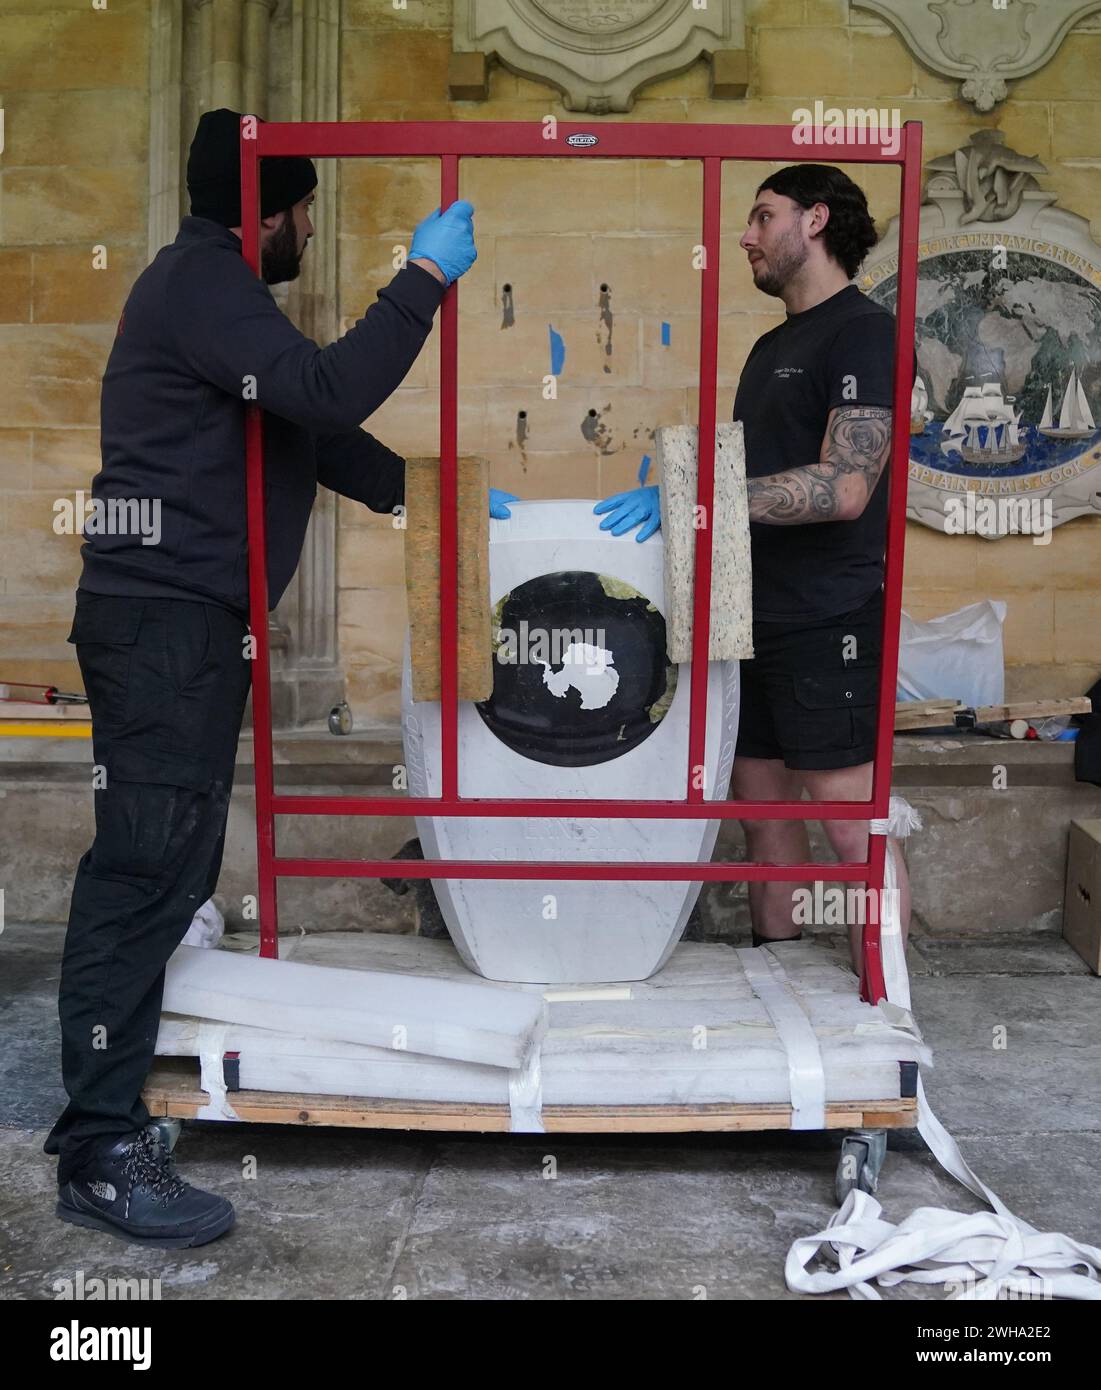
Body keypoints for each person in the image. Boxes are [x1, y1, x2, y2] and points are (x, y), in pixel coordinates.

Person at [45, 107, 493, 1249]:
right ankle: (98, 1153)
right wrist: (421, 283)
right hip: (164, 624)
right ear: (267, 213)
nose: (308, 230)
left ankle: (112, 1126)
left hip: (182, 626)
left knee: (169, 865)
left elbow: (306, 430)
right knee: (142, 871)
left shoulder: (215, 297)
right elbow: (327, 390)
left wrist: (442, 501)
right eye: (301, 210)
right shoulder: (201, 283)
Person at [594, 164, 912, 976]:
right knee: (760, 809)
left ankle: (886, 1004)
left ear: (814, 219)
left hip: (828, 617)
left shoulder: (864, 333)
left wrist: (695, 496)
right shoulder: (773, 344)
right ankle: (777, 983)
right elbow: (754, 484)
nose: (744, 236)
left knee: (848, 818)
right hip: (748, 615)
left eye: (761, 216)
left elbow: (845, 487)